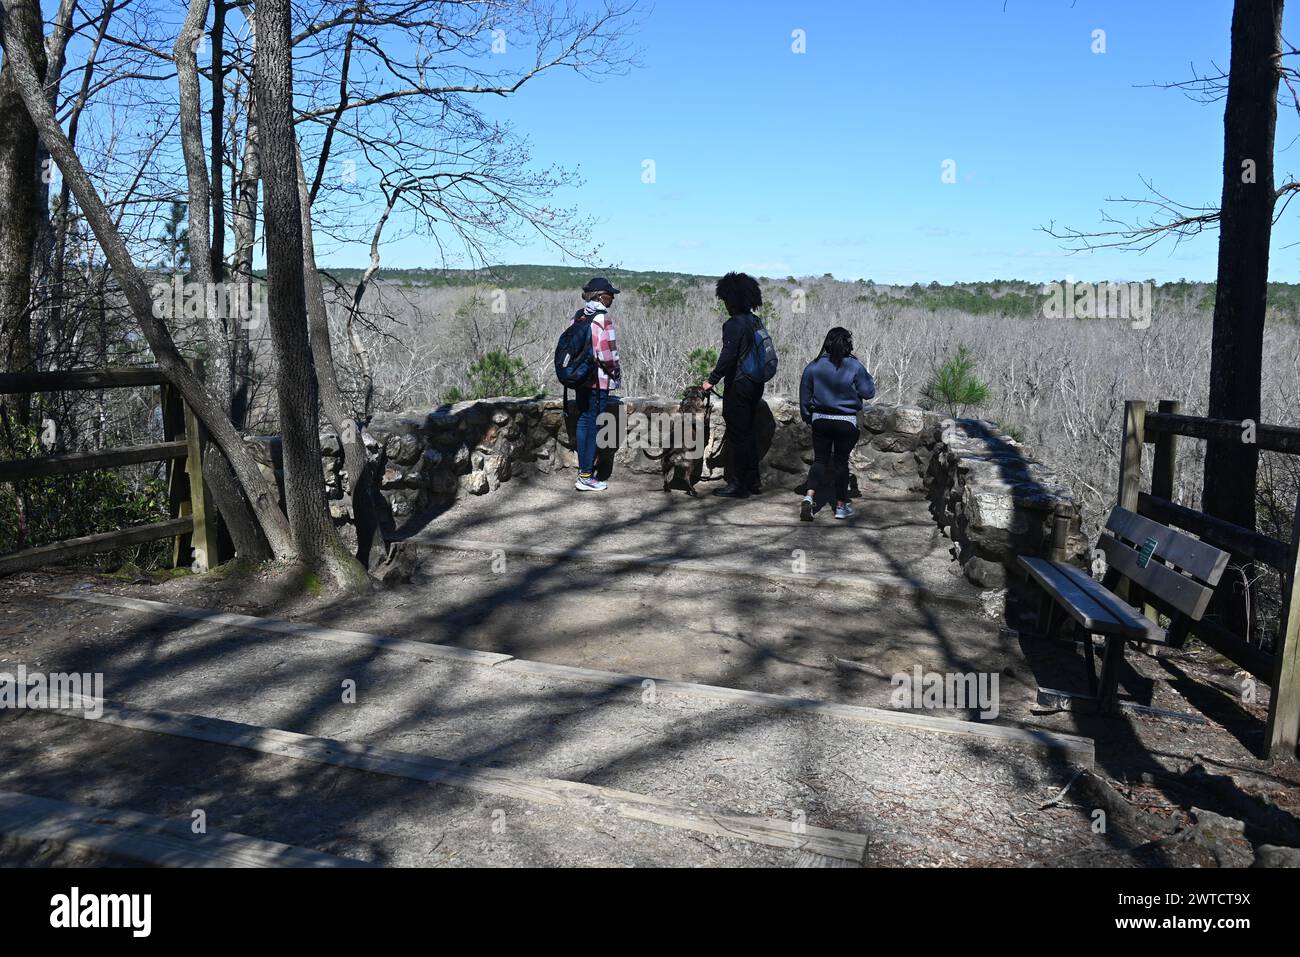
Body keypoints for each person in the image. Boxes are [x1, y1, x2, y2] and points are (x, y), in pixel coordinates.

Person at [798, 327, 876, 520]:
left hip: (821, 420)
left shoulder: (813, 366)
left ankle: (809, 498)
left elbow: (804, 398)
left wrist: (809, 417)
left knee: (820, 460)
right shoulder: (855, 366)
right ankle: (840, 507)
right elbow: (868, 393)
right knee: (841, 462)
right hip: (846, 422)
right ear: (848, 344)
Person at [702, 272, 765, 498]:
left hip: (738, 385)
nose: (726, 305)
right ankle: (754, 480)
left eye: (727, 300)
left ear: (733, 299)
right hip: (755, 383)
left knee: (738, 435)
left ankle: (738, 484)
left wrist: (711, 380)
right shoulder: (755, 321)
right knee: (748, 433)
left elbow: (728, 356)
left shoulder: (734, 324)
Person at [572, 277, 622, 492]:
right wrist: (616, 374)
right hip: (598, 381)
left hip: (581, 379)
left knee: (584, 423)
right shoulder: (603, 319)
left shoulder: (580, 316)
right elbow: (608, 355)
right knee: (594, 427)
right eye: (610, 295)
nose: (612, 299)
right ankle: (586, 477)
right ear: (601, 296)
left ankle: (583, 472)